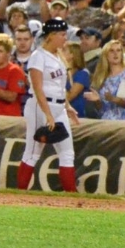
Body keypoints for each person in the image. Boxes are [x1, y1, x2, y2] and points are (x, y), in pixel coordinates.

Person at [17, 18, 79, 192]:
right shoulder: (38, 56)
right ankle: (18, 196)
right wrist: (48, 115)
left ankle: (71, 197)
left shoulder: (57, 55)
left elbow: (58, 86)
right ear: (51, 36)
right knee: (33, 153)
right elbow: (37, 88)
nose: (65, 38)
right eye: (61, 34)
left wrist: (67, 106)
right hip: (40, 106)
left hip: (58, 107)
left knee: (67, 153)